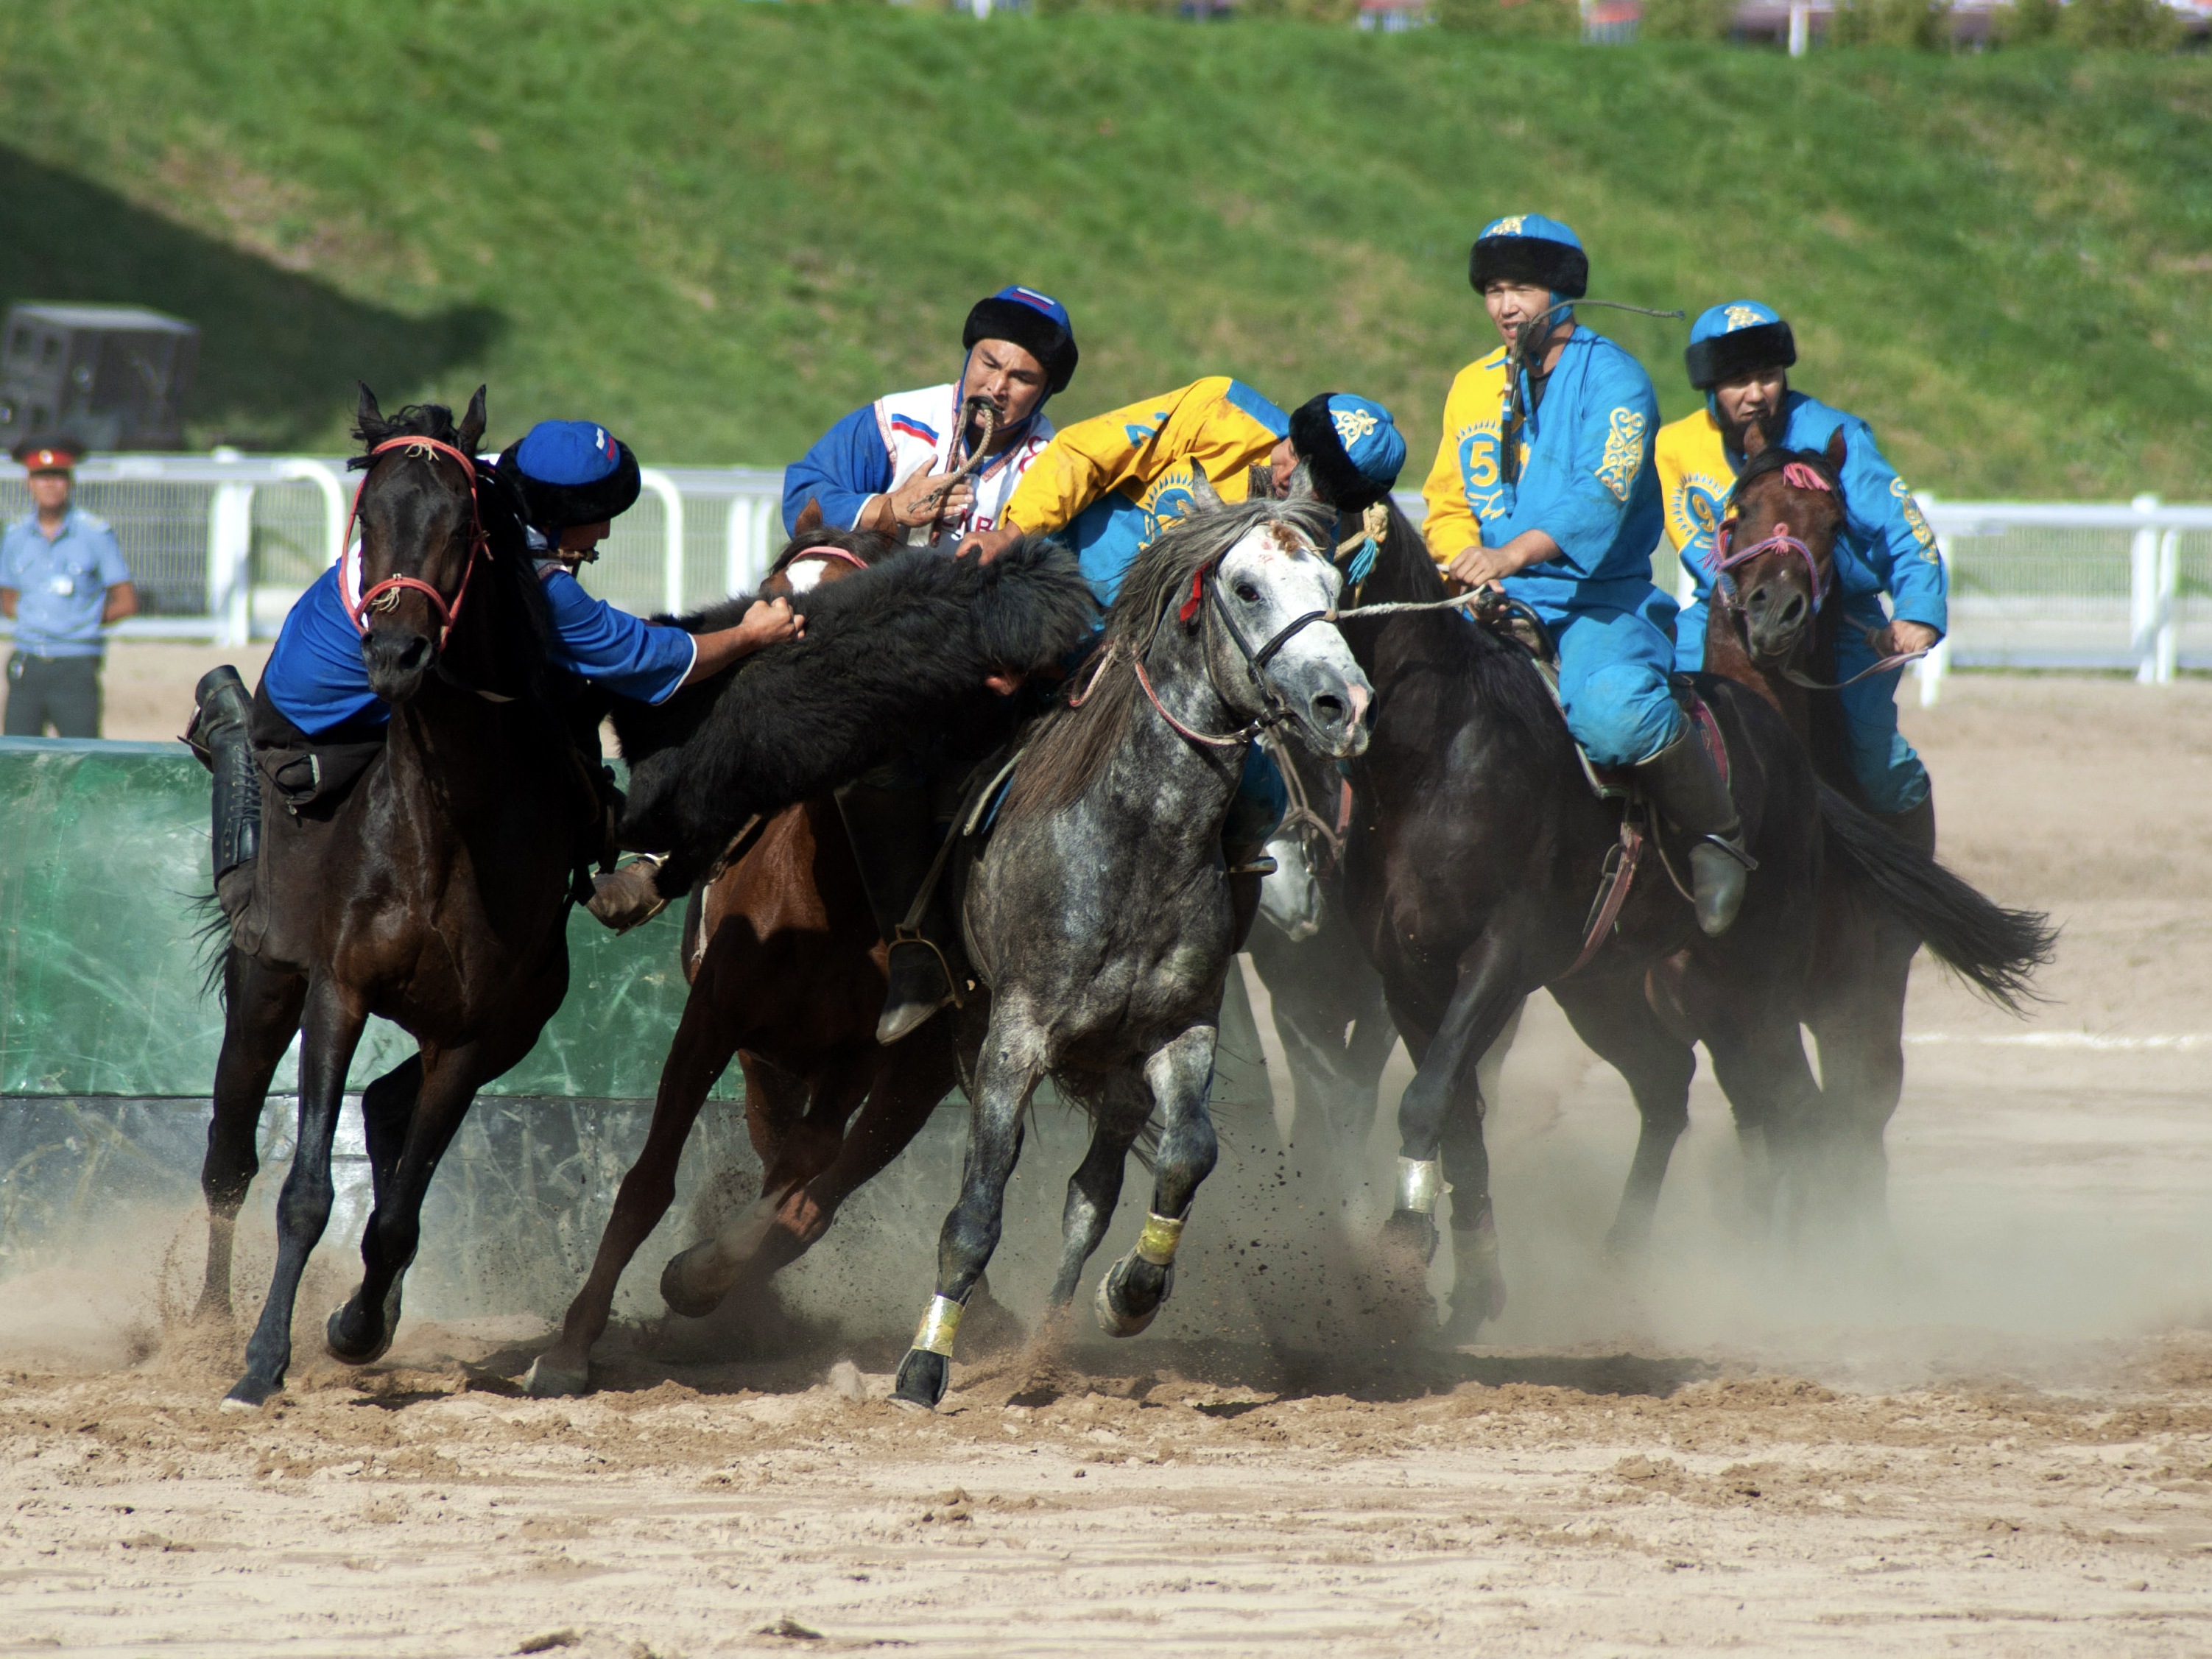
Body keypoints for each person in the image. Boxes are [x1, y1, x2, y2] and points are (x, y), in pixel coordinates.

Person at [186, 419, 799, 928]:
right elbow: (643, 658)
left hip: (336, 661)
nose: (607, 531)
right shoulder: (527, 574)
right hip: (326, 717)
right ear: (556, 517)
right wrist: (751, 635)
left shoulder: (471, 478)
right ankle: (240, 748)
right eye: (600, 515)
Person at [933, 381, 1405, 1034]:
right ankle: (924, 943)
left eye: (1320, 487)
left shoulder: (1314, 534)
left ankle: (1192, 977)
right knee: (961, 733)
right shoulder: (1219, 409)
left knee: (1264, 801)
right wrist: (1012, 533)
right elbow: (1085, 454)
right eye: (1295, 453)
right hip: (1067, 608)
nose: (1290, 476)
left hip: (1168, 682)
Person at [1420, 214, 1752, 937]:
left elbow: (1601, 495)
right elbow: (1445, 501)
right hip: (1487, 601)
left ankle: (1715, 832)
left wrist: (1510, 555)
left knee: (1615, 719)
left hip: (1598, 603)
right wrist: (1461, 565)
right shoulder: (1470, 387)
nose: (1507, 307)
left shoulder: (1616, 381)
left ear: (1562, 290)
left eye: (1524, 288)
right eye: (1495, 290)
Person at [1655, 300, 1945, 835]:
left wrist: (1918, 610)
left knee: (1872, 752)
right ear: (1708, 387)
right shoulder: (1671, 447)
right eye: (1738, 380)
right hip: (1716, 612)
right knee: (1657, 717)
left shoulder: (1835, 435)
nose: (1756, 392)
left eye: (1767, 375)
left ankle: (1906, 877)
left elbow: (1901, 526)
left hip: (1838, 616)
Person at [780, 284, 1079, 549]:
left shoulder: (1052, 467)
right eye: (989, 364)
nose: (997, 387)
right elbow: (802, 497)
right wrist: (891, 507)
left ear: (1045, 392)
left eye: (1022, 379)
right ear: (969, 357)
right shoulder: (898, 424)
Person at [1, 439, 137, 737]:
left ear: (70, 482)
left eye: (58, 476)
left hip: (75, 666)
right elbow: (8, 597)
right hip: (28, 662)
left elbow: (126, 600)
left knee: (82, 761)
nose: (50, 485)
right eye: (41, 477)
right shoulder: (15, 535)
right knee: (18, 762)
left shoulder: (94, 534)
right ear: (29, 483)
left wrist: (79, 620)